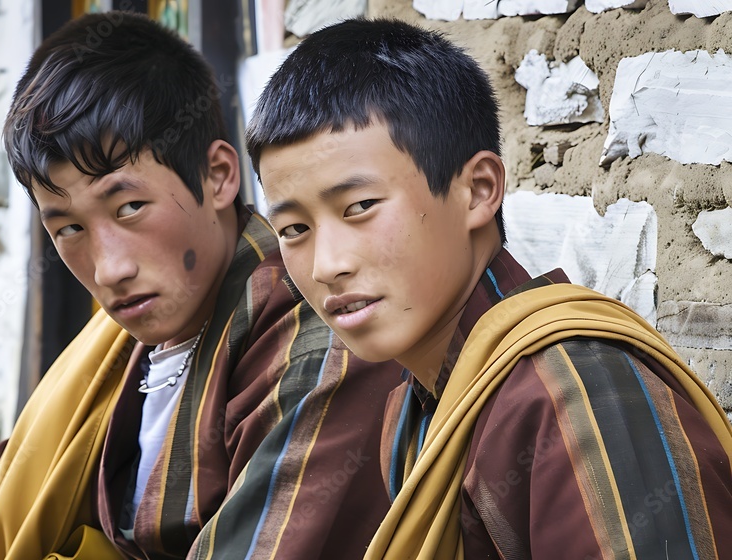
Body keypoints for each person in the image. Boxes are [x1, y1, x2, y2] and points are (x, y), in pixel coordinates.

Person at [0, 12, 403, 560]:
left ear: (218, 175)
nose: (108, 269)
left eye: (130, 208)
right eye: (69, 228)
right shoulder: (113, 352)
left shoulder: (317, 353)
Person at [247, 17, 732, 560]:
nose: (325, 266)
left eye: (359, 207)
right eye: (294, 230)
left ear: (478, 191)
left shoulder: (574, 398)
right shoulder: (415, 407)